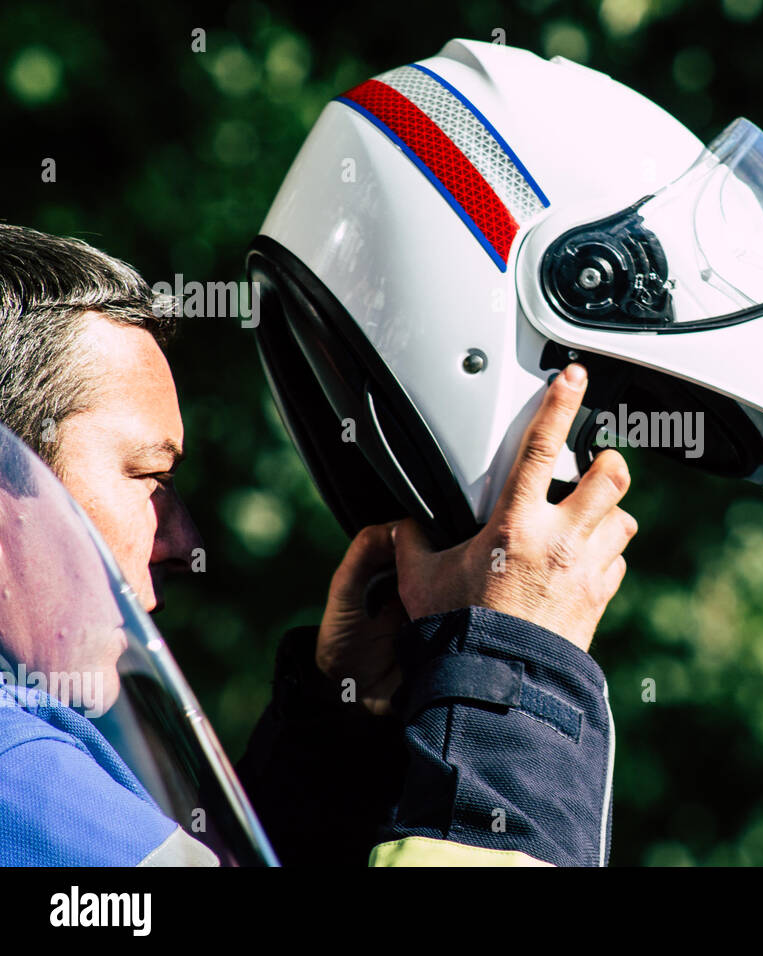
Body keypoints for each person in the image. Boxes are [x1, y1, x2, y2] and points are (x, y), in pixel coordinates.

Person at [0, 222, 635, 866]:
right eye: (149, 476)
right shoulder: (19, 776)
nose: (181, 539)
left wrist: (332, 734)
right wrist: (516, 671)